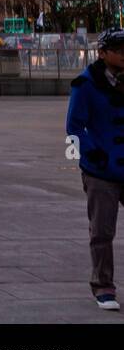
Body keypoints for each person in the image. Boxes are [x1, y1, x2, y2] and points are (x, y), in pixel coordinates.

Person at [66, 28, 124, 310]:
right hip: (101, 170)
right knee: (102, 231)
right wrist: (93, 154)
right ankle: (103, 286)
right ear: (102, 53)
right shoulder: (85, 84)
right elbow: (74, 127)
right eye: (119, 48)